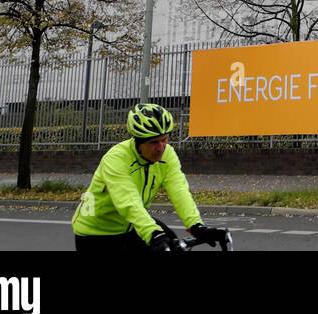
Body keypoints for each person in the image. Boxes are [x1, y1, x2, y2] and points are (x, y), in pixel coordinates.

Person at [72, 102, 226, 251]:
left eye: (164, 140)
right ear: (138, 142)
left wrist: (196, 226)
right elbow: (127, 201)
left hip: (130, 225)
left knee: (170, 242)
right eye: (154, 142)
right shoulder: (116, 159)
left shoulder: (167, 154)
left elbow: (179, 190)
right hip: (95, 233)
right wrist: (153, 234)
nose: (161, 148)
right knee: (157, 237)